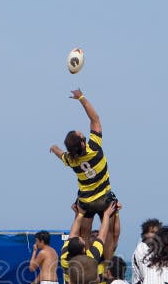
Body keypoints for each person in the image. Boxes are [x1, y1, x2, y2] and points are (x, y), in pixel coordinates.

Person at [49, 88, 121, 260]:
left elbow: (60, 154)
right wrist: (81, 97)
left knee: (85, 237)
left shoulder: (71, 160)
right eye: (80, 134)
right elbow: (95, 118)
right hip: (104, 198)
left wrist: (54, 147)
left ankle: (87, 265)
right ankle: (106, 269)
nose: (82, 132)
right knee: (110, 235)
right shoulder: (94, 148)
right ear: (83, 142)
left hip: (86, 201)